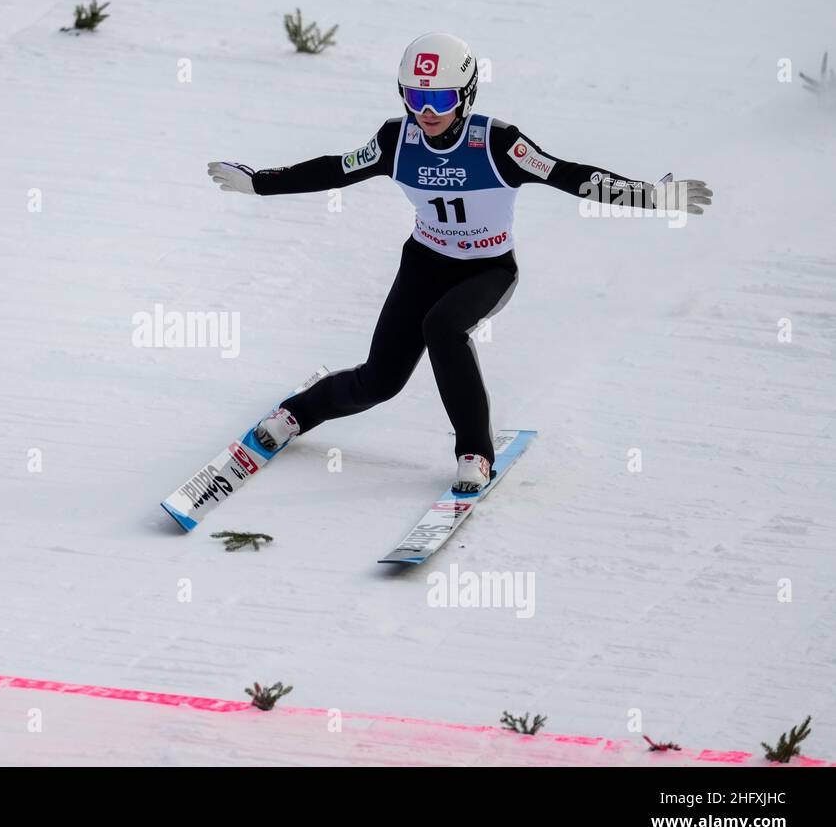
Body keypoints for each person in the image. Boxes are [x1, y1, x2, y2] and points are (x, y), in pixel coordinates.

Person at [207, 32, 712, 493]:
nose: (427, 111)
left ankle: (474, 451)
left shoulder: (499, 143)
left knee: (443, 327)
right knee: (380, 380)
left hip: (487, 269)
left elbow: (568, 175)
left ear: (466, 96)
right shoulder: (395, 141)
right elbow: (334, 170)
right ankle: (296, 415)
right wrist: (259, 182)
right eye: (415, 97)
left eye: (441, 99)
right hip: (424, 263)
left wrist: (651, 196)